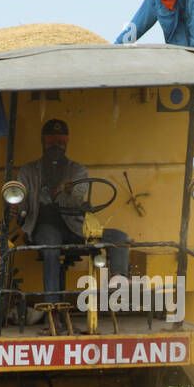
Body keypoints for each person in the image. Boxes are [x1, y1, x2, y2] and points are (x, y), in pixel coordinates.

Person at [114, 0, 194, 180]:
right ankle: (179, 174)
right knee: (177, 118)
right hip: (177, 63)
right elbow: (136, 25)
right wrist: (113, 51)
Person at [14, 119, 130, 309]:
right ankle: (52, 307)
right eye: (52, 142)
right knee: (51, 245)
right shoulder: (28, 171)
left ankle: (118, 278)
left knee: (119, 236)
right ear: (43, 142)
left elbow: (76, 200)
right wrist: (17, 208)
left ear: (66, 143)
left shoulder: (77, 170)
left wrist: (65, 192)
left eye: (60, 142)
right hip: (42, 226)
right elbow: (21, 203)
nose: (56, 146)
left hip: (73, 226)